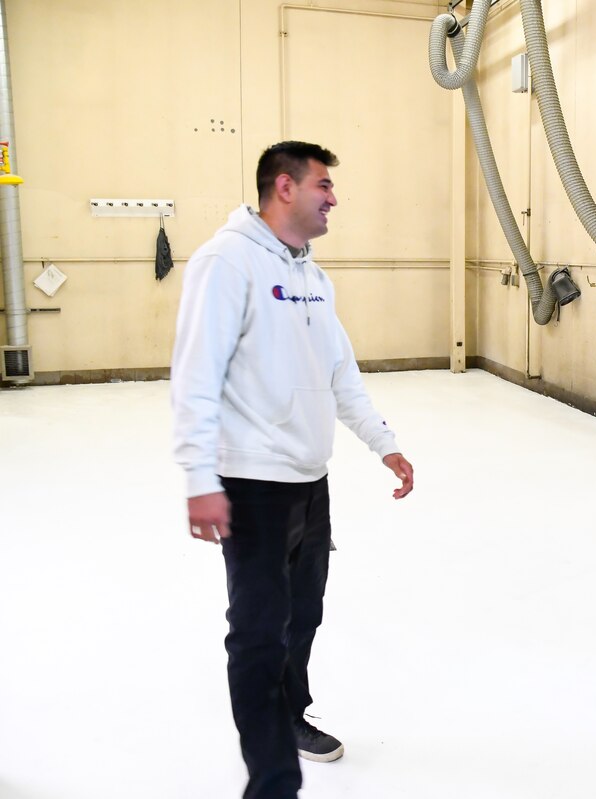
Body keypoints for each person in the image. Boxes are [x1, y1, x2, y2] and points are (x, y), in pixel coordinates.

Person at [171, 141, 415, 799]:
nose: (333, 198)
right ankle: (272, 781)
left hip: (310, 480)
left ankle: (290, 713)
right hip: (251, 482)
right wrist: (199, 477)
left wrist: (382, 442)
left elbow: (340, 372)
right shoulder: (226, 262)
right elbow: (195, 376)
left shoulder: (311, 274)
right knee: (257, 631)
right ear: (285, 187)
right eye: (323, 186)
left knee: (302, 614)